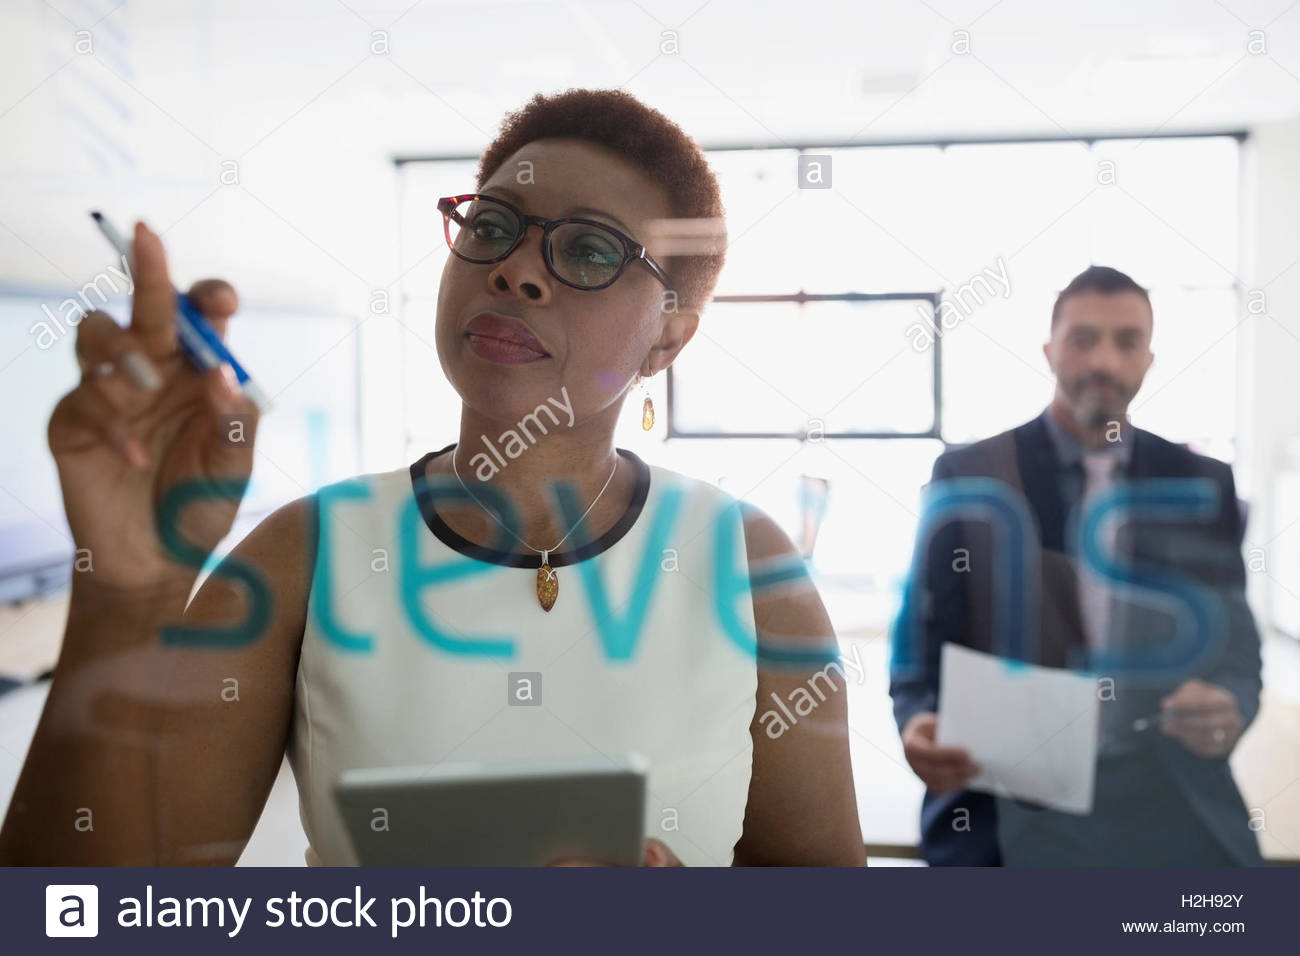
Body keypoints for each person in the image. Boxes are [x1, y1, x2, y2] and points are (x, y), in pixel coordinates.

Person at [0, 89, 865, 867]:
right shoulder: (305, 554)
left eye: (592, 251)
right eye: (493, 225)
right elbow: (81, 917)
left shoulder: (752, 570)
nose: (516, 269)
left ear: (669, 337)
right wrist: (124, 596)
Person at [890, 266, 1263, 866]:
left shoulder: (1203, 484)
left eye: (1127, 341)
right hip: (1006, 788)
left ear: (1148, 358)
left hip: (1162, 787)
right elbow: (922, 640)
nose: (1104, 363)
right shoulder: (968, 476)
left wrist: (1229, 703)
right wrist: (916, 720)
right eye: (1083, 338)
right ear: (1049, 350)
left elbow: (1240, 652)